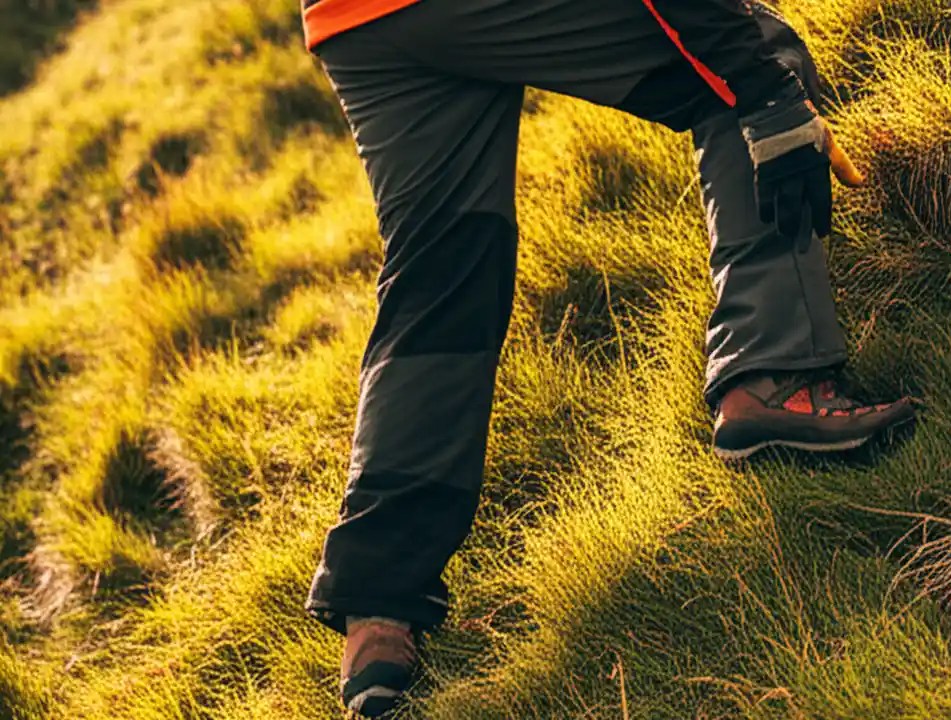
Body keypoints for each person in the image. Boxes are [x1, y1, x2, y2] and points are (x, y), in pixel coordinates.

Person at [298, 0, 916, 715]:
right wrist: (768, 95)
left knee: (442, 269)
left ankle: (379, 609)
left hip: (356, 21)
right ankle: (774, 371)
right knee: (750, 58)